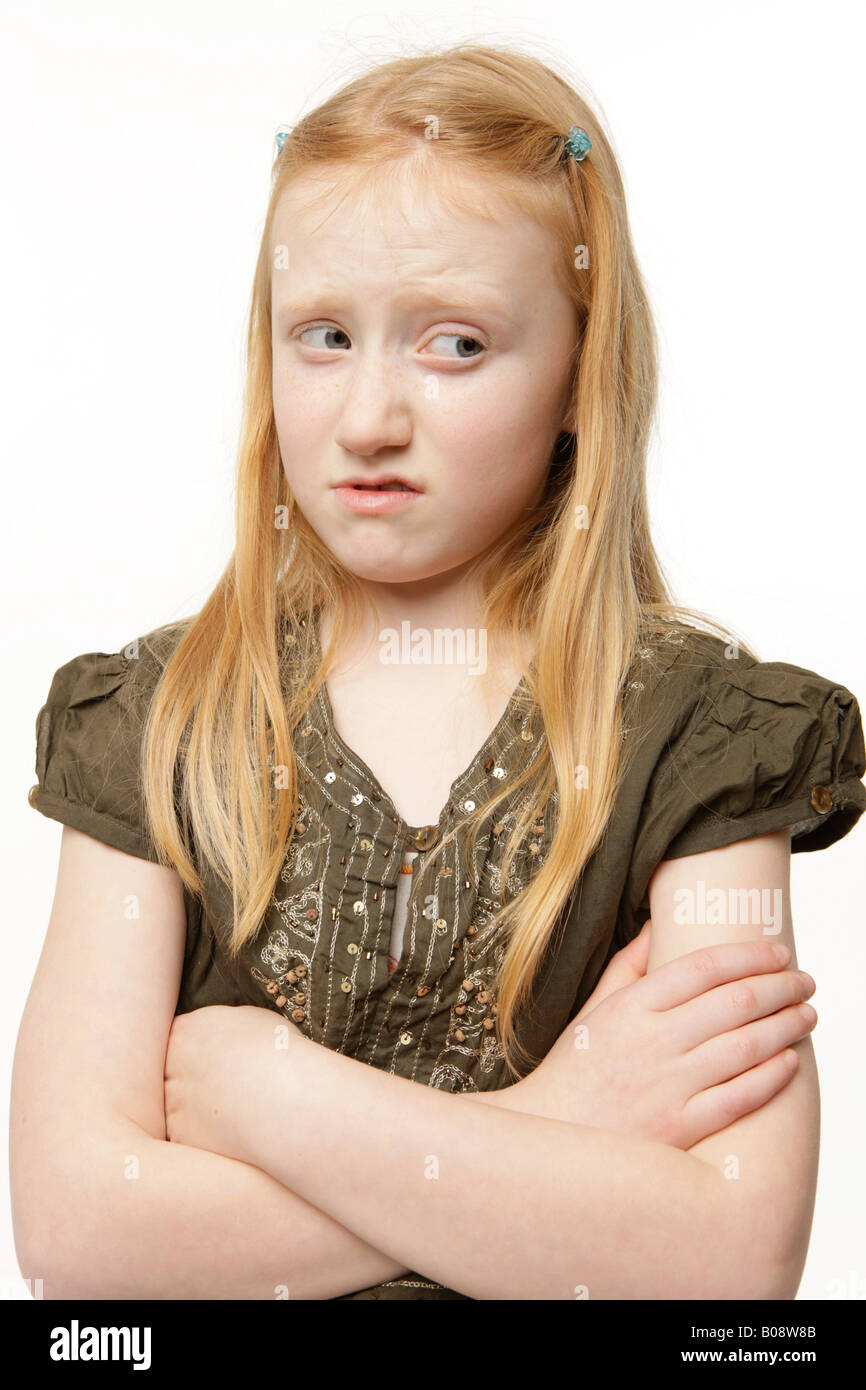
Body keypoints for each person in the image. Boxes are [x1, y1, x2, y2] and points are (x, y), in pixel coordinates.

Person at [12, 42, 865, 1301]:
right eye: (323, 337)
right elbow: (80, 1238)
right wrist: (563, 1114)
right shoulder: (156, 721)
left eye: (454, 345)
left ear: (580, 370)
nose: (367, 417)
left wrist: (270, 1095)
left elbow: (722, 1264)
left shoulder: (700, 733)